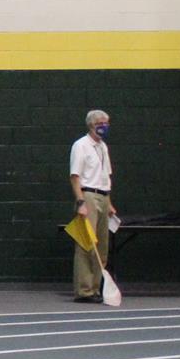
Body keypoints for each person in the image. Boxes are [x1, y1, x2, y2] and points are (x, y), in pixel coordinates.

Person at [69, 109, 116, 304]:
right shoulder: (81, 146)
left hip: (103, 196)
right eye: (100, 123)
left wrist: (110, 203)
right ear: (91, 125)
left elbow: (106, 176)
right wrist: (80, 202)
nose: (104, 126)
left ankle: (96, 287)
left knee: (102, 246)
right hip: (88, 194)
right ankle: (85, 289)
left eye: (106, 122)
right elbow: (75, 176)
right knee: (87, 244)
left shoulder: (103, 147)